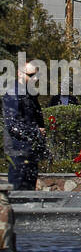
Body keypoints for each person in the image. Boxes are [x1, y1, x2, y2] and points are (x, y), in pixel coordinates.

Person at [2, 60, 47, 189]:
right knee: (18, 192)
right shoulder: (13, 93)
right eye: (31, 75)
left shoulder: (30, 94)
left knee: (29, 192)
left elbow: (36, 119)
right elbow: (13, 125)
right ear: (19, 74)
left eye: (37, 76)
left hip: (30, 150)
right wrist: (36, 132)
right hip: (18, 150)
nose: (34, 79)